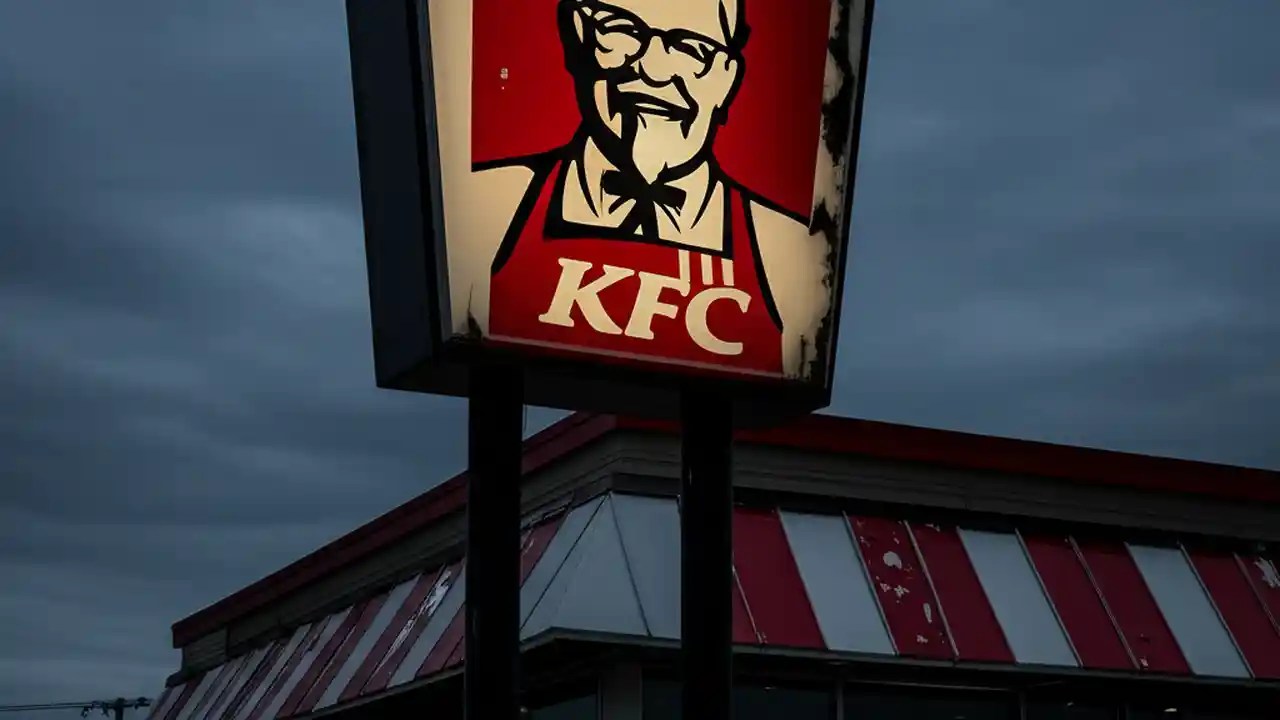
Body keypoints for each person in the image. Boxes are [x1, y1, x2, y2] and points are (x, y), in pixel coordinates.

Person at [468, 0, 828, 379]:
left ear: (726, 79)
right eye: (623, 31)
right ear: (578, 38)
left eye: (691, 49)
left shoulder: (786, 252)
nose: (654, 71)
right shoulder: (494, 207)